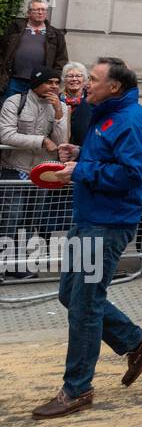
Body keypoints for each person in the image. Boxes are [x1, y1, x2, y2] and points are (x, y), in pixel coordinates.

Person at [32, 58, 142, 418]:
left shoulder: (132, 121)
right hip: (89, 219)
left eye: (93, 78)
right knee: (69, 295)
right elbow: (107, 160)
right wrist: (79, 154)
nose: (86, 83)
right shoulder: (107, 112)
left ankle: (77, 389)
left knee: (85, 304)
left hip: (105, 225)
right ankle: (136, 341)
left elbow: (132, 174)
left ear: (115, 86)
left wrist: (81, 169)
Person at [0, 66, 68, 273]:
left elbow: (62, 142)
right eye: (50, 82)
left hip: (42, 172)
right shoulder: (15, 102)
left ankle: (21, 265)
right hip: (15, 168)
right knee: (10, 219)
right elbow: (6, 135)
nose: (54, 87)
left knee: (32, 220)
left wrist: (58, 115)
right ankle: (4, 264)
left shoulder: (62, 107)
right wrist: (41, 140)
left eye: (57, 83)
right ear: (37, 84)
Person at [0, 0, 69, 101]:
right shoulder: (14, 29)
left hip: (40, 83)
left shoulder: (55, 34)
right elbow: (2, 51)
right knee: (8, 110)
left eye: (43, 10)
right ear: (28, 13)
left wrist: (52, 79)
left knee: (34, 112)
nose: (40, 12)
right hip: (13, 80)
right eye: (36, 10)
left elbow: (61, 59)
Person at [60, 62, 92, 146]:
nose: (74, 79)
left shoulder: (91, 100)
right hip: (61, 146)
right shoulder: (57, 100)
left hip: (85, 145)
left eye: (78, 76)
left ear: (84, 79)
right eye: (70, 76)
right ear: (64, 79)